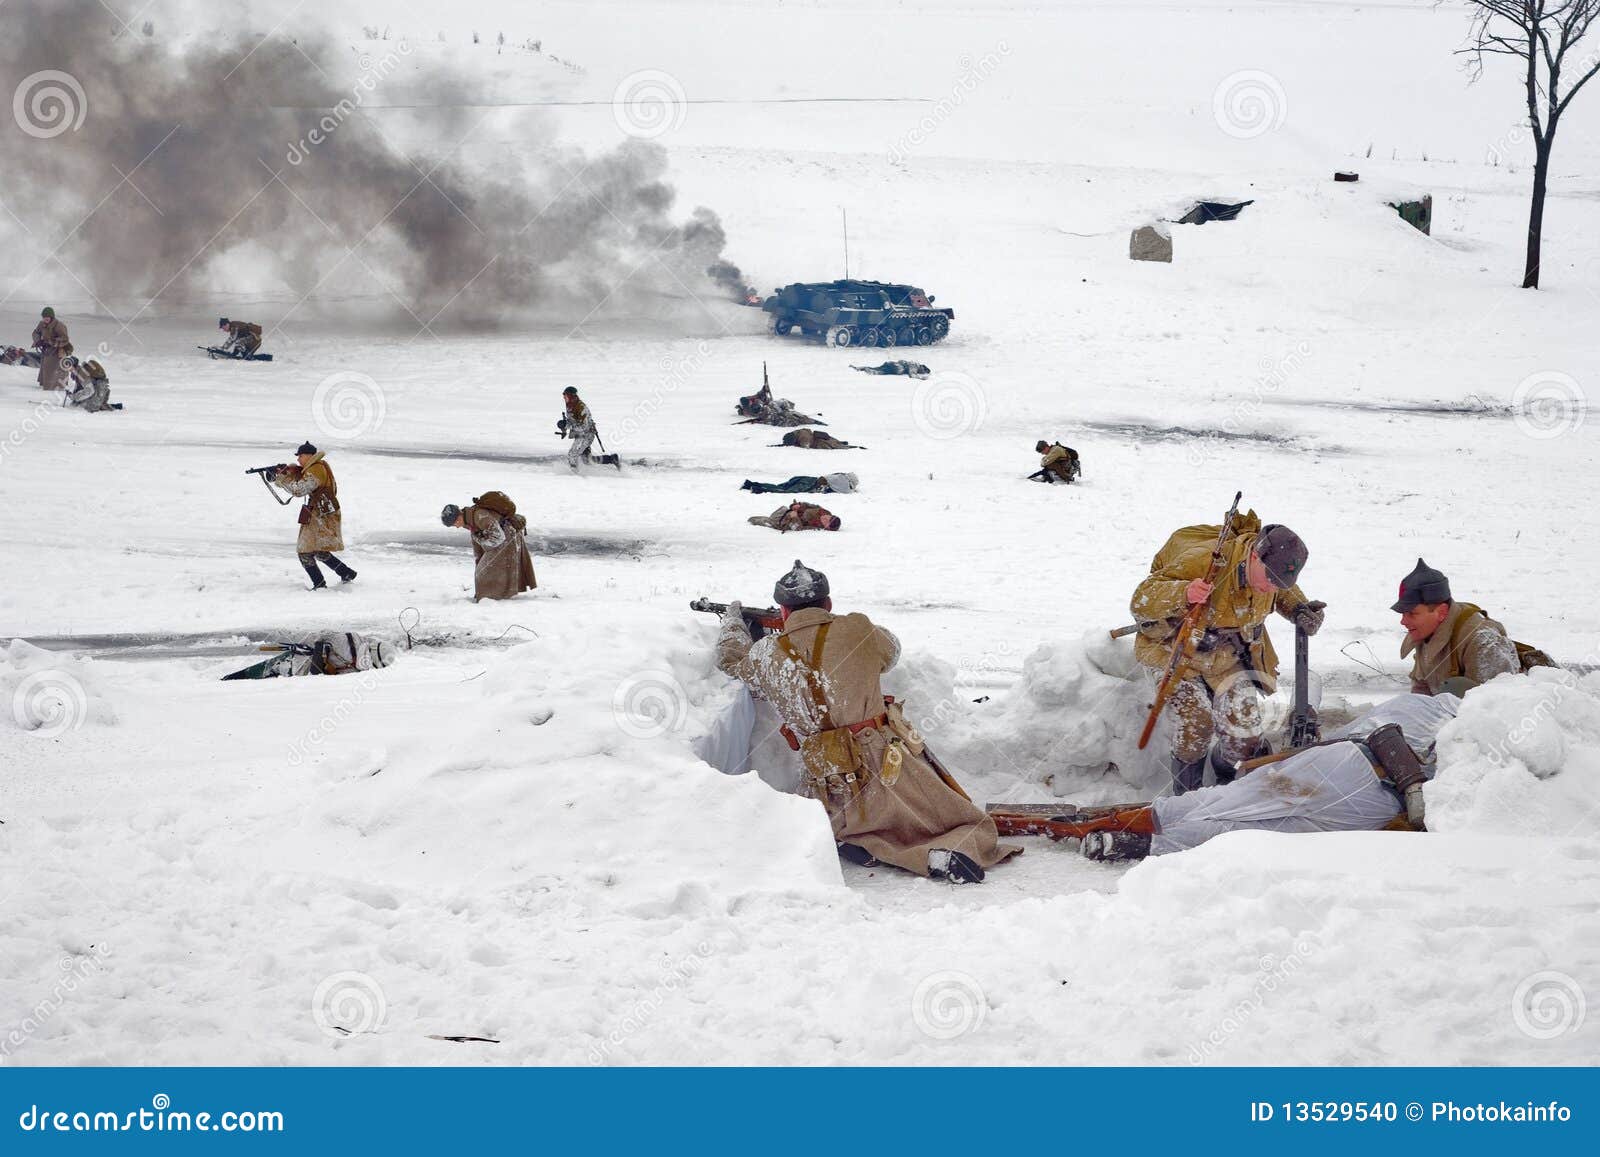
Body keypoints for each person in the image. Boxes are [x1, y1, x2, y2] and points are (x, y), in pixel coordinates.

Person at [715, 560, 1021, 883]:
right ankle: (931, 854)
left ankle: (855, 840)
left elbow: (730, 659)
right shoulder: (857, 628)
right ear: (828, 603)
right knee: (964, 823)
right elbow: (891, 651)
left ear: (783, 611)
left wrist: (733, 621)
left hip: (823, 776)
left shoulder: (764, 654)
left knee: (841, 822)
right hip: (883, 760)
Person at [1058, 692, 1458, 861]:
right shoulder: (1466, 728)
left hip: (1334, 758)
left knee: (1224, 799)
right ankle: (1126, 843)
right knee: (1259, 832)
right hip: (1373, 795)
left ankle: (1114, 819)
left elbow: (1349, 734)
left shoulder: (1413, 702)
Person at [1130, 512, 1325, 794]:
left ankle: (1225, 780)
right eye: (1270, 580)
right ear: (1255, 556)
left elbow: (1284, 592)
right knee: (1197, 721)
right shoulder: (1205, 560)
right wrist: (1184, 592)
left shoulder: (1271, 575)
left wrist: (1301, 611)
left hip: (1225, 657)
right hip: (1174, 651)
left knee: (1244, 736)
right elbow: (1141, 600)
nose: (1270, 588)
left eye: (1278, 583)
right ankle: (1186, 796)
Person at [1393, 558, 1553, 696]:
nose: (1403, 621)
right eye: (1403, 613)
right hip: (1456, 717)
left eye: (1412, 613)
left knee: (1456, 687)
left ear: (1441, 612)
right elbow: (1422, 690)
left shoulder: (1482, 642)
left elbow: (1497, 705)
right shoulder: (1423, 632)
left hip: (1521, 715)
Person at [269, 441, 357, 590]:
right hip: (322, 512)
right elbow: (300, 481)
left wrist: (282, 478)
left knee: (304, 551)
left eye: (300, 456)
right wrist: (286, 473)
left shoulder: (316, 469)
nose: (298, 459)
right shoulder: (317, 466)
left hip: (321, 514)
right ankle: (346, 573)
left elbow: (299, 490)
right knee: (319, 551)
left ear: (309, 456)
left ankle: (319, 584)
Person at [441, 493, 537, 602]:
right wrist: (479, 559)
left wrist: (481, 543)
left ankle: (489, 599)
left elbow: (498, 537)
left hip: (508, 536)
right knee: (482, 569)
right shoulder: (469, 519)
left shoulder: (479, 516)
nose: (457, 527)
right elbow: (478, 544)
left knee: (485, 571)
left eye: (454, 524)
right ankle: (488, 597)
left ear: (458, 517)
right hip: (502, 537)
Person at [222, 632, 395, 680]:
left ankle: (229, 680)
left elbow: (318, 636)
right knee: (263, 674)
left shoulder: (353, 639)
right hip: (297, 669)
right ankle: (228, 681)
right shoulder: (357, 668)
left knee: (262, 673)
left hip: (297, 666)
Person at [30, 307, 71, 390]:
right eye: (44, 317)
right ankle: (45, 383)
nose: (46, 319)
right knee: (45, 366)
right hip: (47, 350)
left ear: (51, 317)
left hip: (58, 350)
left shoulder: (59, 326)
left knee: (55, 368)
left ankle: (56, 385)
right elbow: (36, 332)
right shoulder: (41, 324)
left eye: (47, 317)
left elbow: (65, 338)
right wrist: (38, 340)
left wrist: (51, 341)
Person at [748, 501, 841, 532]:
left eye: (826, 521)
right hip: (787, 511)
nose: (825, 517)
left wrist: (795, 517)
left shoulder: (815, 528)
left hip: (786, 521)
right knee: (783, 509)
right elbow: (809, 505)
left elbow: (798, 528)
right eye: (829, 517)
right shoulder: (824, 511)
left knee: (764, 521)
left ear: (826, 527)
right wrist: (798, 505)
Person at [740, 473, 858, 495]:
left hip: (807, 478)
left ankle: (750, 484)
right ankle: (758, 489)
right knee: (785, 491)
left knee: (780, 486)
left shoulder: (839, 475)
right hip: (809, 484)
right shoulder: (843, 482)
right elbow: (847, 491)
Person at [780, 428, 857, 450]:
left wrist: (797, 445)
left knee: (836, 446)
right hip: (823, 439)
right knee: (835, 443)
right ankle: (840, 442)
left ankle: (853, 447)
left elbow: (806, 446)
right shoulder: (797, 433)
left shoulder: (803, 437)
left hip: (821, 442)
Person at [851, 360, 930, 378]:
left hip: (893, 363)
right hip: (897, 368)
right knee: (882, 372)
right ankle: (869, 371)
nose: (922, 372)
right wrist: (921, 378)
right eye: (923, 371)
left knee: (877, 368)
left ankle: (860, 368)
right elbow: (912, 374)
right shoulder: (915, 366)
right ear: (922, 367)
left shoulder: (912, 363)